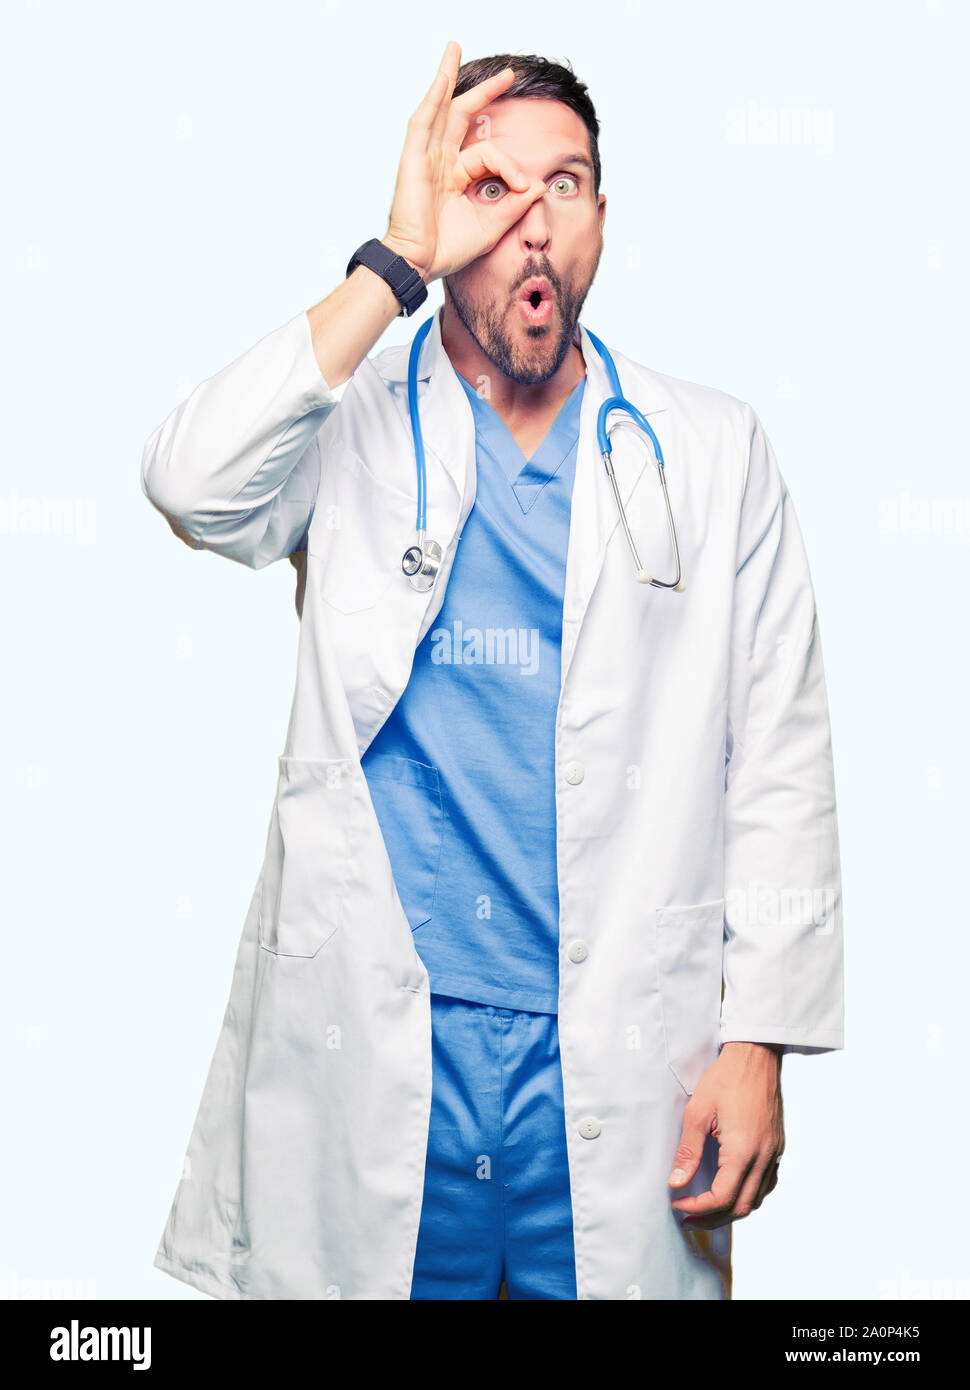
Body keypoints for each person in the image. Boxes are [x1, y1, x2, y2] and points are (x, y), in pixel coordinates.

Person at [141, 41, 844, 1301]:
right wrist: (393, 264)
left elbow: (778, 757)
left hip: (618, 1065)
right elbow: (190, 484)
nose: (529, 226)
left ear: (603, 223)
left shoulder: (713, 450)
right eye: (489, 190)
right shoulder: (347, 423)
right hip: (389, 1056)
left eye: (562, 187)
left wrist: (759, 1042)